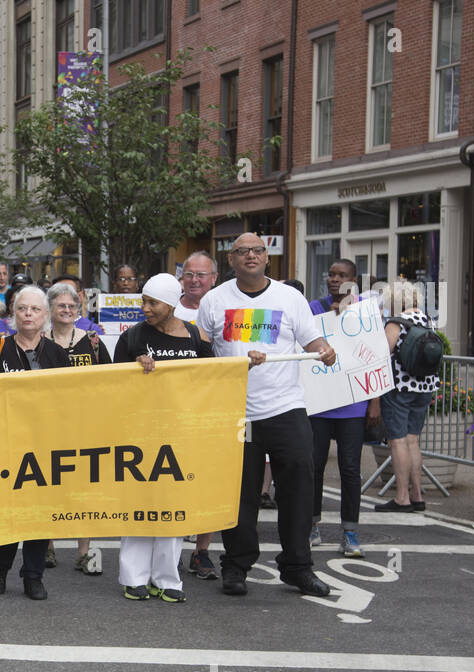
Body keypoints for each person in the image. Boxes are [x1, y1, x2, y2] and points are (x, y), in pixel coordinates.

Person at [194, 232, 337, 598]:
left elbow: (312, 341)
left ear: (267, 258)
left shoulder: (290, 297)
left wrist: (325, 349)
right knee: (240, 494)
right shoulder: (214, 300)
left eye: (258, 250)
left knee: (299, 488)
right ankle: (237, 566)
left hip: (285, 408)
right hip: (237, 414)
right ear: (231, 260)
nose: (252, 256)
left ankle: (297, 567)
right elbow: (198, 350)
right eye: (243, 252)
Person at [113, 273, 213, 601]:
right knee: (140, 504)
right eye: (143, 301)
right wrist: (134, 370)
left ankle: (168, 578)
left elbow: (211, 379)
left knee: (174, 506)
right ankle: (134, 576)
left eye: (152, 302)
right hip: (140, 434)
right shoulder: (131, 339)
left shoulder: (195, 336)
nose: (145, 308)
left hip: (182, 433)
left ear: (171, 304)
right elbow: (113, 386)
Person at [0, 285, 71, 599]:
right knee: (10, 513)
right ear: (13, 314)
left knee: (39, 514)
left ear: (45, 316)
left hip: (46, 446)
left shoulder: (58, 354)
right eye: (22, 309)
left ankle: (33, 575)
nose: (28, 314)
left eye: (34, 309)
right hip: (9, 446)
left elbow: (70, 400)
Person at [308, 259, 375, 556]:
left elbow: (375, 359)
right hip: (320, 401)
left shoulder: (366, 311)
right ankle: (311, 524)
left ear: (354, 280)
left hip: (352, 403)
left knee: (350, 469)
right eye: (331, 274)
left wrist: (375, 401)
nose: (335, 279)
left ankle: (350, 531)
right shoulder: (313, 307)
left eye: (342, 275)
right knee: (314, 466)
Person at [47, 281, 110, 573]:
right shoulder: (37, 340)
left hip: (87, 426)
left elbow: (113, 380)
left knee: (85, 490)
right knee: (46, 487)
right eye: (61, 305)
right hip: (47, 426)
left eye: (72, 306)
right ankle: (45, 547)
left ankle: (84, 553)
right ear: (50, 309)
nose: (67, 310)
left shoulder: (93, 341)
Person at [172, 251, 221, 578]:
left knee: (208, 479)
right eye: (189, 274)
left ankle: (201, 551)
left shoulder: (221, 306)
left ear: (213, 278)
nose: (194, 280)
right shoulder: (167, 307)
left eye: (201, 275)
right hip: (172, 405)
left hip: (210, 404)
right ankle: (165, 549)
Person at [376, 280, 440, 513]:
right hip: (424, 388)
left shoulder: (396, 322)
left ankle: (402, 497)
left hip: (399, 388)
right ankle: (417, 495)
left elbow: (382, 353)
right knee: (413, 440)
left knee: (398, 441)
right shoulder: (427, 320)